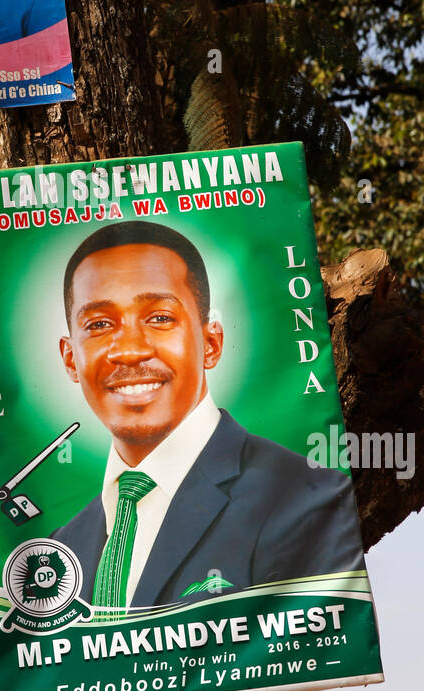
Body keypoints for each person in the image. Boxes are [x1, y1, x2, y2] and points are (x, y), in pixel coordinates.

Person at [52, 221, 367, 610]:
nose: (129, 350)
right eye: (99, 324)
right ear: (70, 358)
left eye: (160, 318)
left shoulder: (303, 497)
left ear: (211, 343)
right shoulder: (62, 550)